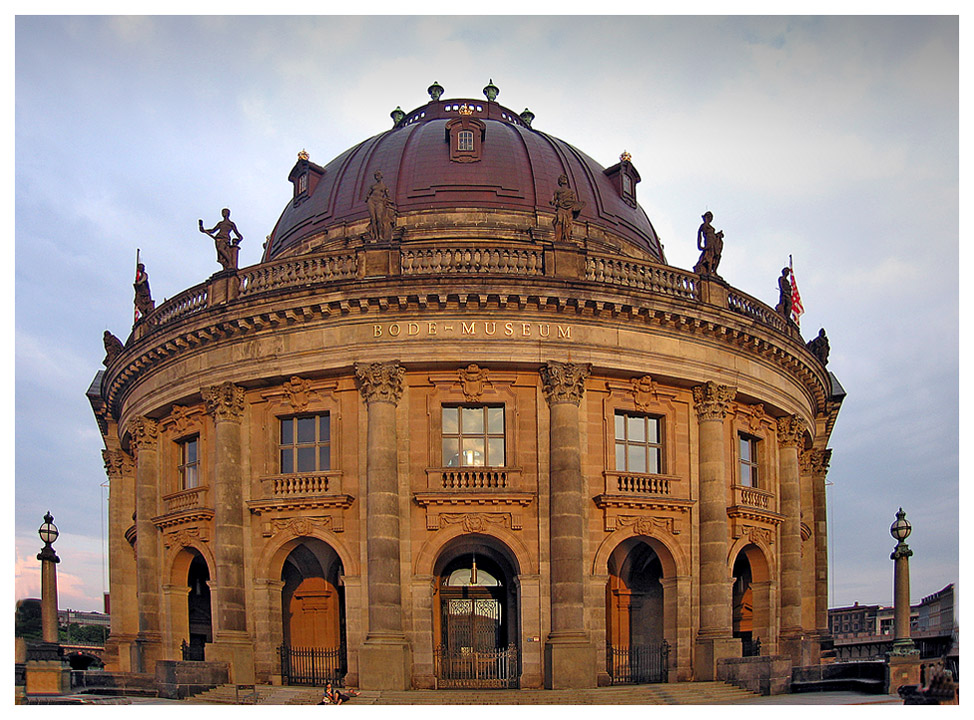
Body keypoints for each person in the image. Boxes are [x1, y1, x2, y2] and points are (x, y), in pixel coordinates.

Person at [549, 174, 584, 242]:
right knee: (558, 221)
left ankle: (567, 238)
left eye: (565, 179)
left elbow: (574, 203)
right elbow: (553, 200)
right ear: (560, 182)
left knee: (568, 224)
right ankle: (558, 238)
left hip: (569, 209)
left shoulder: (571, 192)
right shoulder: (557, 191)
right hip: (561, 208)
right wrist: (552, 202)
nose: (564, 180)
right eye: (562, 179)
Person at [693, 211, 724, 276]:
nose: (709, 218)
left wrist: (718, 235)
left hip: (714, 241)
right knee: (710, 255)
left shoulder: (709, 226)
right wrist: (699, 245)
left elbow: (712, 234)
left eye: (710, 217)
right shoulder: (703, 225)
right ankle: (709, 271)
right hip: (709, 241)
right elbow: (699, 235)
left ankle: (714, 271)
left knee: (717, 256)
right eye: (708, 217)